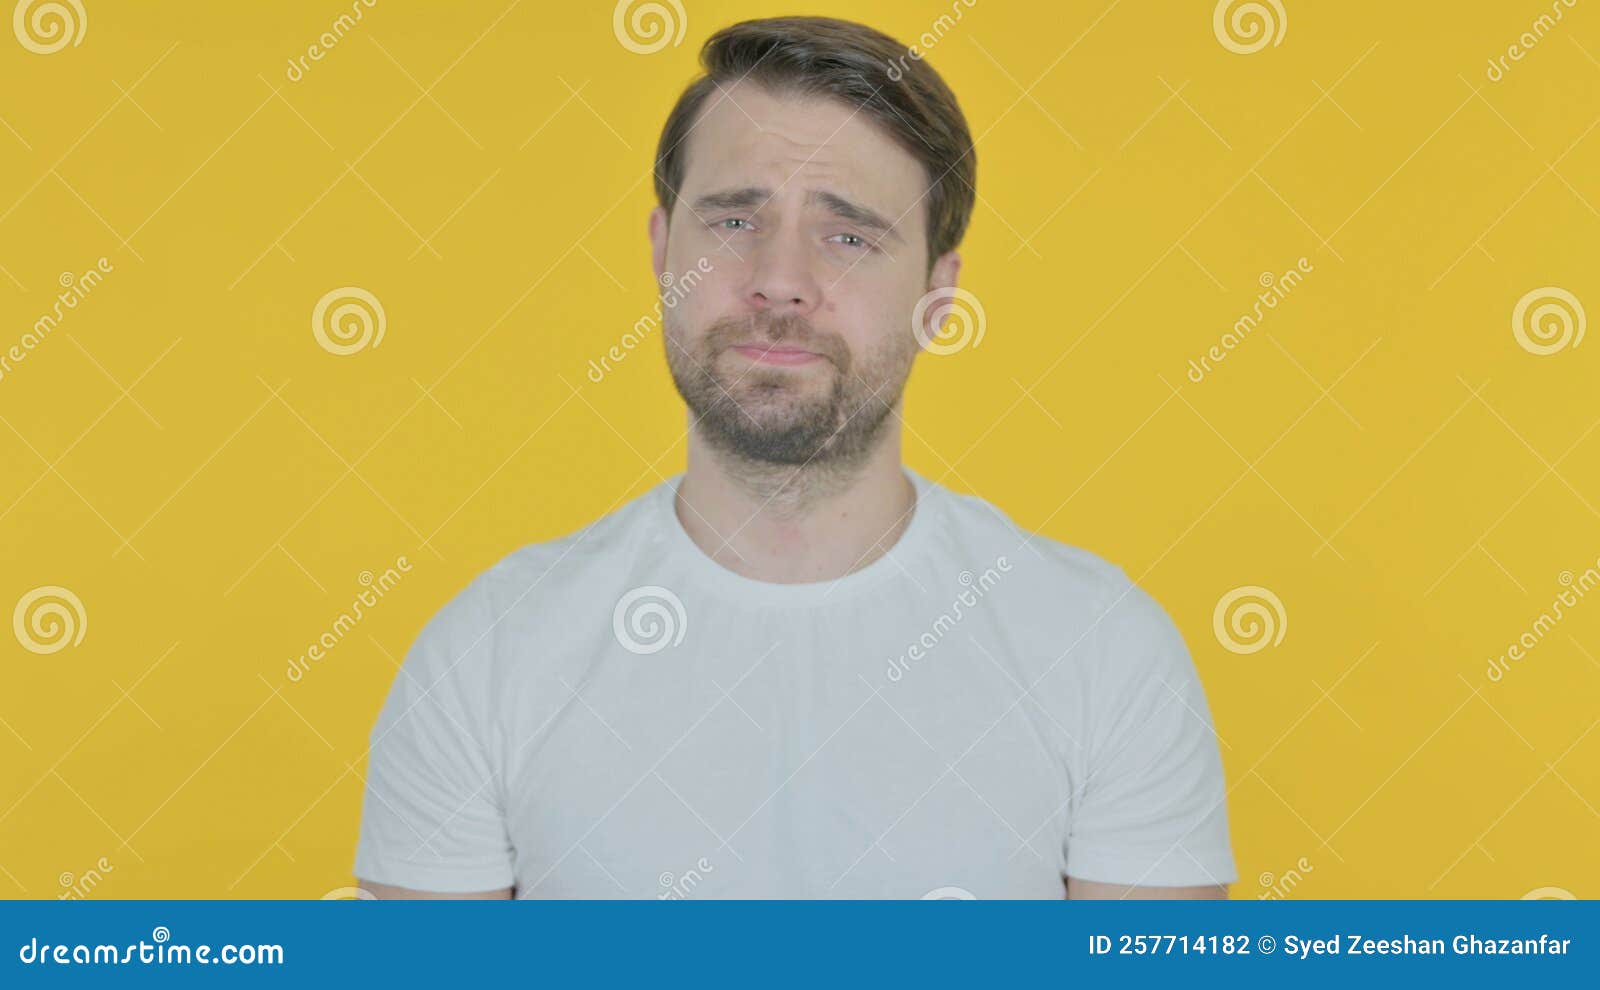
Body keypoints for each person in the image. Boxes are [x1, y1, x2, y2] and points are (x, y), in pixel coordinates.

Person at [355, 15, 1235, 900]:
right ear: (664, 254)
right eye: (736, 218)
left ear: (939, 295)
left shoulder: (1102, 654)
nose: (781, 278)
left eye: (850, 236)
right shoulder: (487, 660)